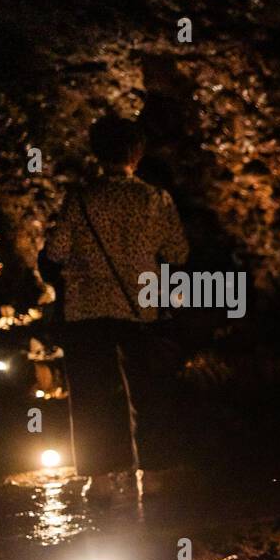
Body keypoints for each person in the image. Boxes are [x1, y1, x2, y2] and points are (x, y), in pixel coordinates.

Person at [44, 114, 189, 503]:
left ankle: (102, 479)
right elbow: (177, 252)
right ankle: (153, 473)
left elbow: (56, 252)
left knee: (91, 396)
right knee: (147, 392)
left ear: (96, 153)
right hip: (140, 308)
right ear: (137, 153)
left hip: (87, 310)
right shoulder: (155, 199)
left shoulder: (81, 200)